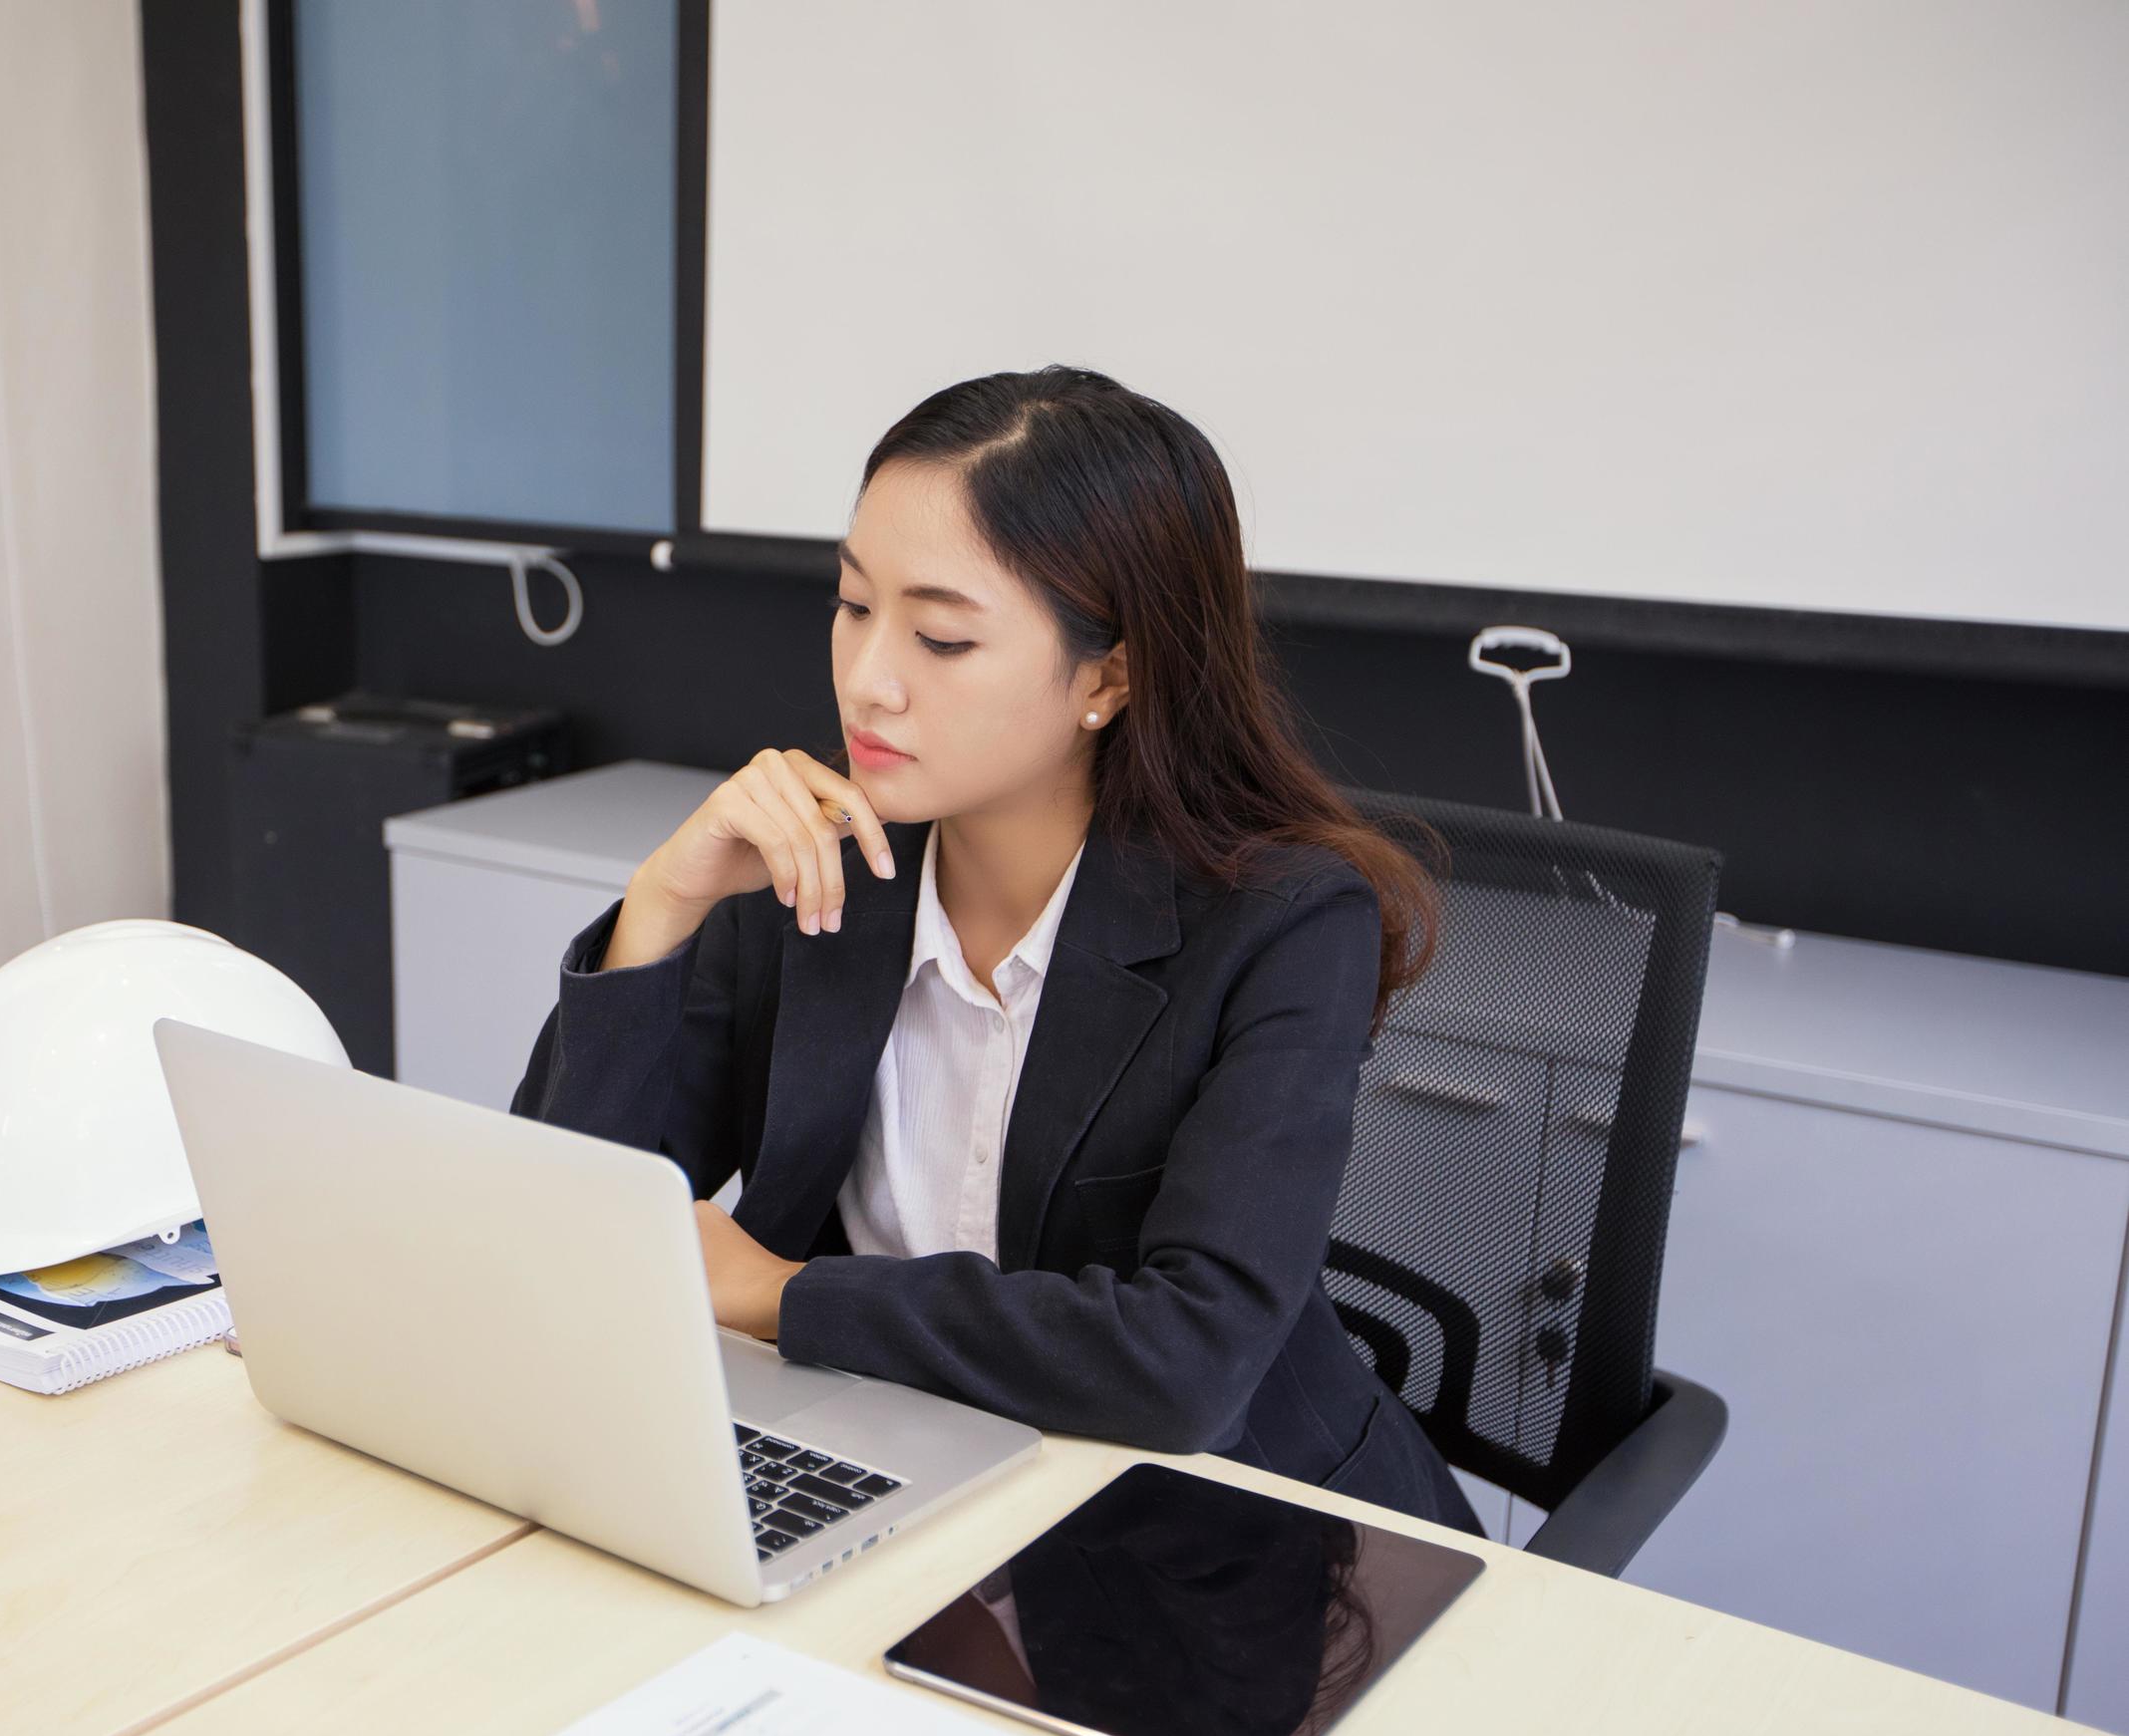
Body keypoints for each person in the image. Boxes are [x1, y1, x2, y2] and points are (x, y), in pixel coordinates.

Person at [511, 365, 1479, 1532]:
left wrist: (784, 1293)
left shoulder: (1281, 925)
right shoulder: (820, 866)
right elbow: (564, 1232)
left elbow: (1184, 1362)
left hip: (1231, 1524)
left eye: (940, 637)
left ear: (1109, 676)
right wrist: (661, 903)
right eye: (853, 605)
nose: (869, 683)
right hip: (903, 1464)